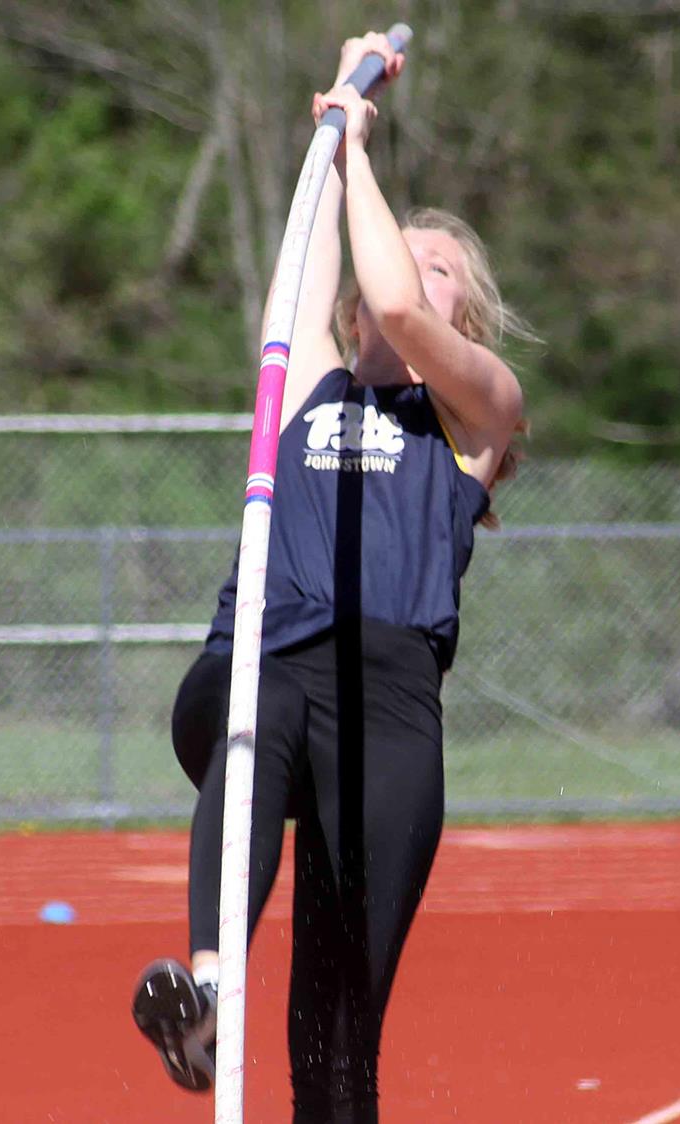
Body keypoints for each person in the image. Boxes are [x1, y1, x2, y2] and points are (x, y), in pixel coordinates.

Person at [131, 32, 531, 1122]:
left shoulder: (473, 414)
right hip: (268, 653)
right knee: (255, 723)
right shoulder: (308, 382)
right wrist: (333, 138)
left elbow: (399, 307)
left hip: (390, 709)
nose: (405, 270)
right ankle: (207, 995)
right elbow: (321, 271)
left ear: (468, 310)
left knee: (337, 1039)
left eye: (435, 261)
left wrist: (357, 142)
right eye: (394, 253)